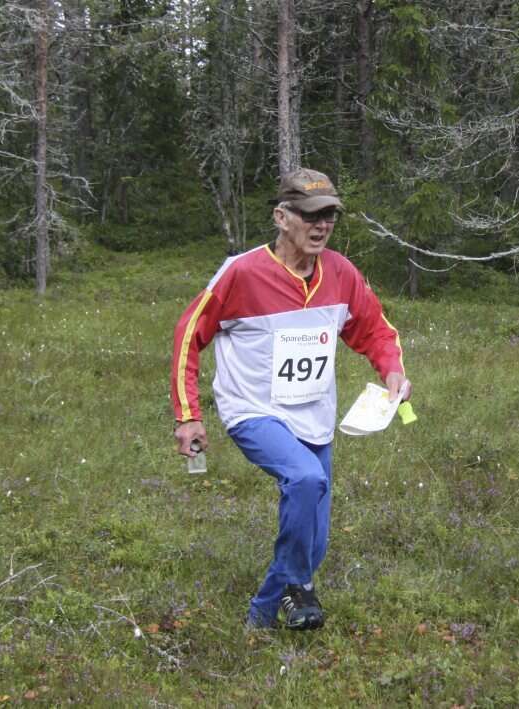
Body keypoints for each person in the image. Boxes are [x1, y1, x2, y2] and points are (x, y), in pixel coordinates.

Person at [170, 168, 410, 630]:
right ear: (282, 217)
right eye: (310, 215)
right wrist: (188, 415)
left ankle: (267, 612)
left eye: (330, 217)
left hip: (314, 415)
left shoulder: (341, 273)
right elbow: (188, 336)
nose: (321, 226)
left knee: (313, 537)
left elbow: (375, 329)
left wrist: (393, 372)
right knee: (303, 480)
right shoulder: (240, 272)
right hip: (254, 412)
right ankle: (284, 598)